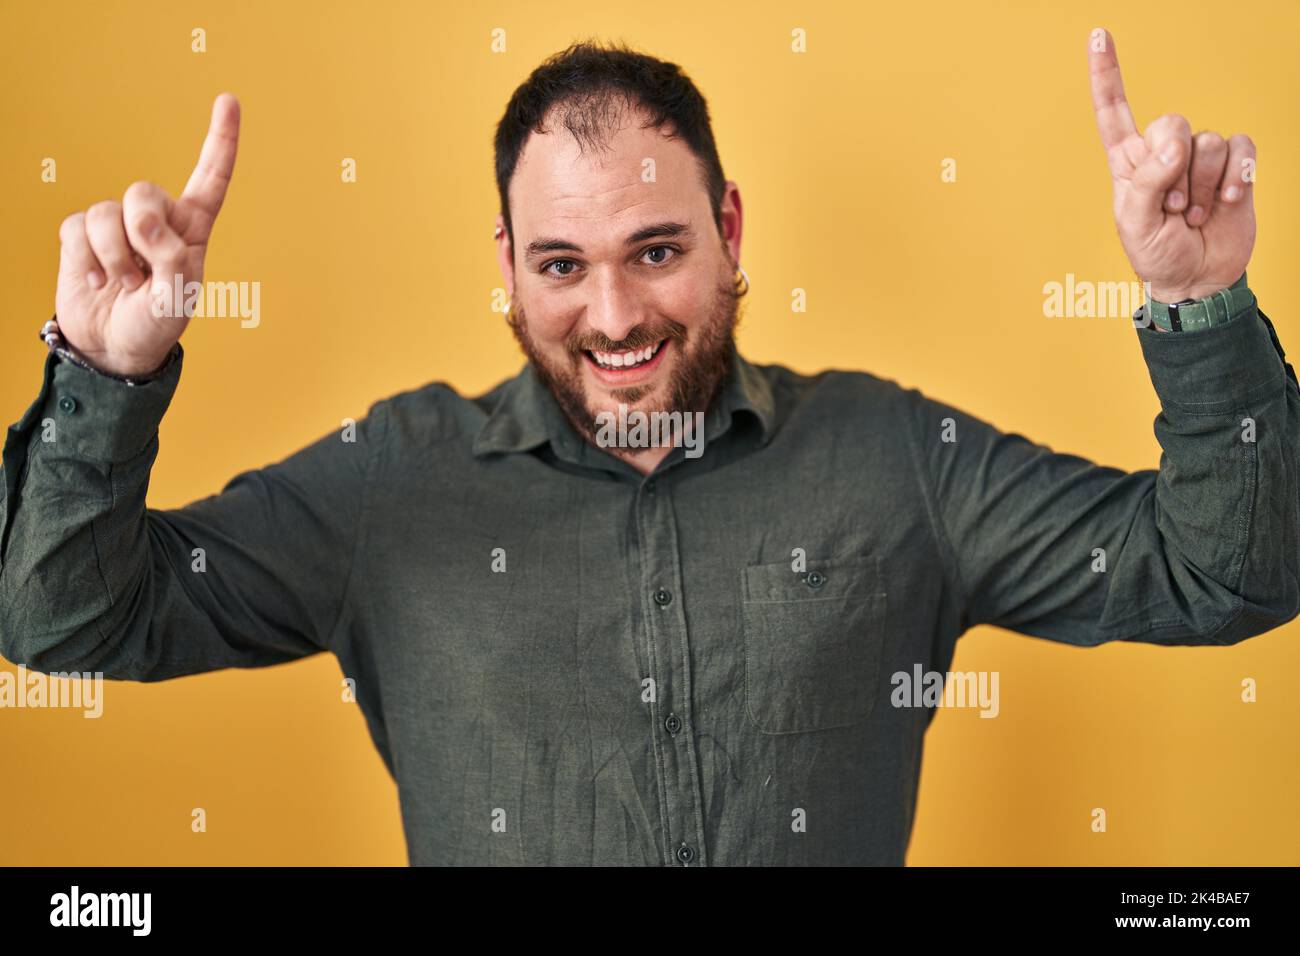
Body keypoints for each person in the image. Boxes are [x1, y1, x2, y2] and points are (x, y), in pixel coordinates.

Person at [1, 30, 1295, 866]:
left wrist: (1201, 306)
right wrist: (107, 376)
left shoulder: (897, 458)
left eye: (657, 252)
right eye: (562, 264)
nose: (614, 317)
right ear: (506, 267)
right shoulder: (386, 487)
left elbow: (1226, 575)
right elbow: (61, 625)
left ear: (729, 226)